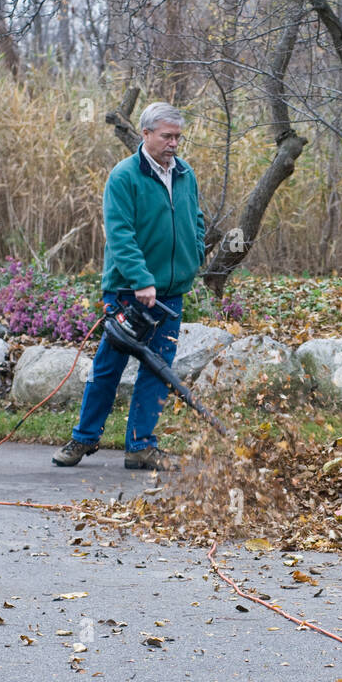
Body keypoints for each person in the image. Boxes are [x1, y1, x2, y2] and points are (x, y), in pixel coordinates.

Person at [52, 102, 205, 471]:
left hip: (170, 294)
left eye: (177, 137)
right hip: (128, 293)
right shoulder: (124, 177)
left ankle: (140, 447)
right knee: (109, 367)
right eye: (166, 136)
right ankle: (83, 439)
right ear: (146, 134)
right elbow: (120, 235)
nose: (173, 144)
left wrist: (194, 254)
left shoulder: (185, 174)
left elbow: (196, 219)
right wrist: (141, 281)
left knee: (159, 370)